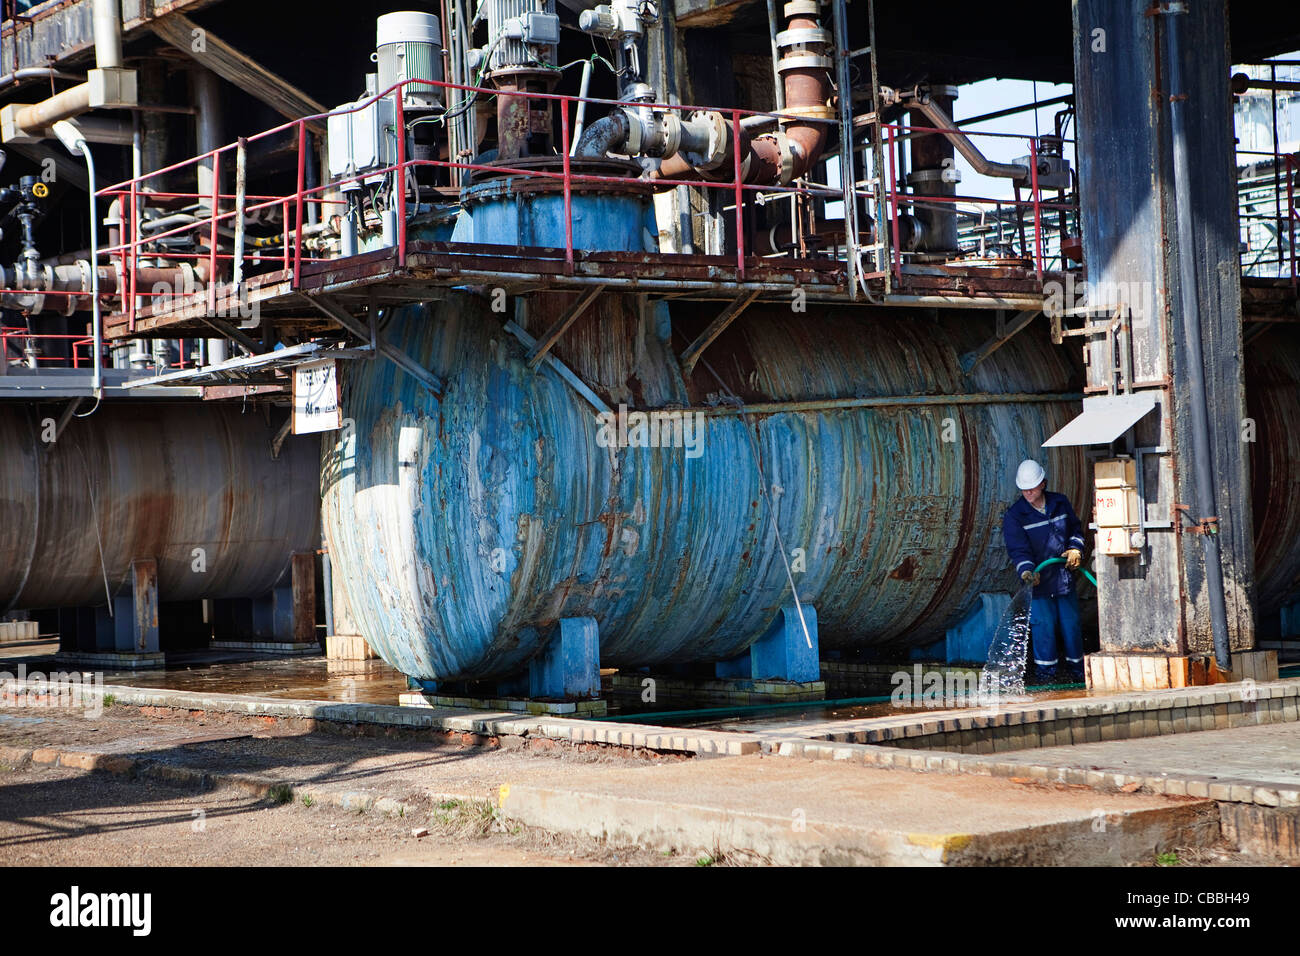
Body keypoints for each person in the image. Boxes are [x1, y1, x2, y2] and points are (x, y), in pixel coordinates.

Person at [1002, 459, 1087, 685]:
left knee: (1071, 626)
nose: (1028, 492)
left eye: (1032, 487)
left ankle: (1078, 673)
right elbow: (1018, 550)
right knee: (1044, 628)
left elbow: (1075, 530)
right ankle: (1046, 679)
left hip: (1063, 577)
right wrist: (1027, 572)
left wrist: (1075, 549)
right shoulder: (1015, 516)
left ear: (1043, 483)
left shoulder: (1060, 503)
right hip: (1038, 583)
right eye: (1024, 488)